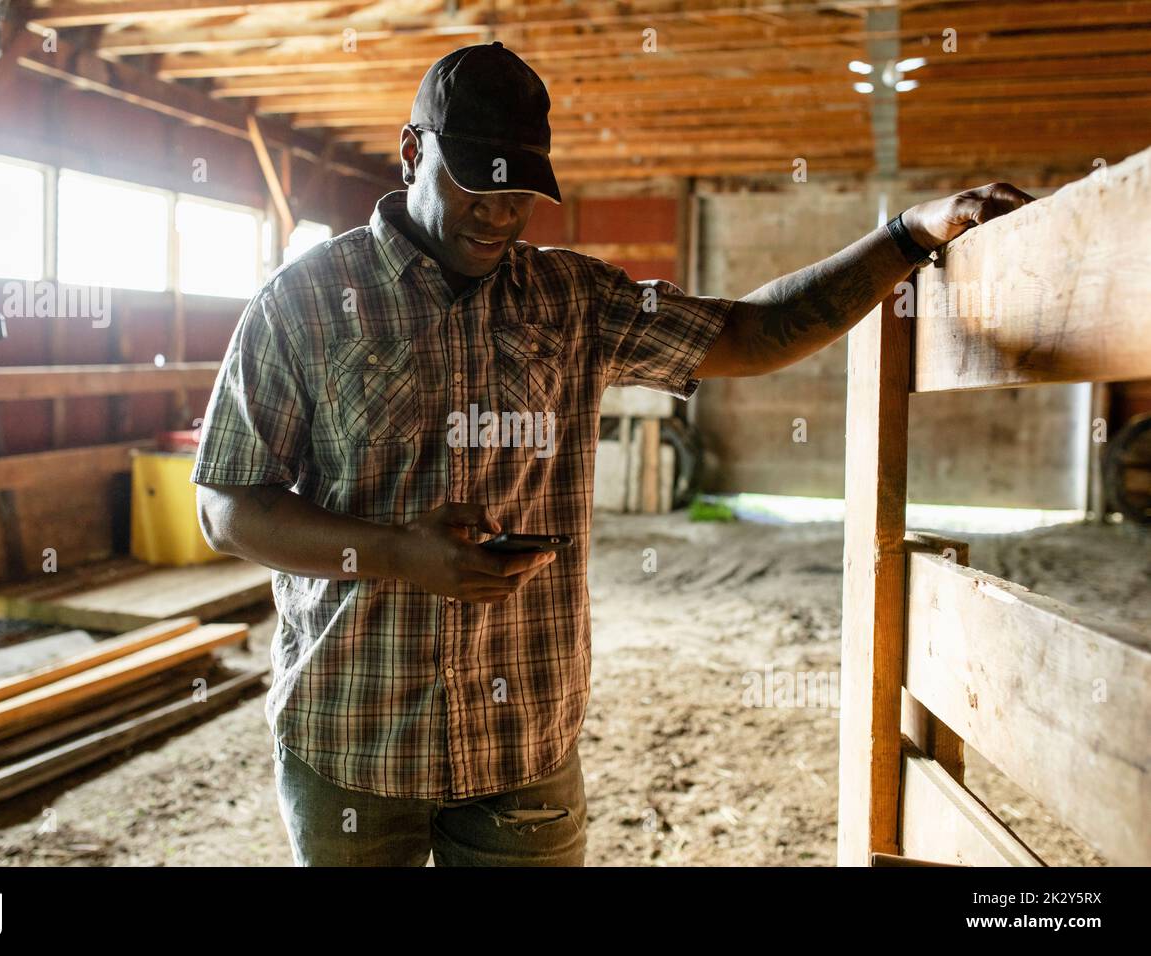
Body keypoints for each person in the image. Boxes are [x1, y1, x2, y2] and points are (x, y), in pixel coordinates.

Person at [193, 41, 1033, 866]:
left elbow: (754, 329)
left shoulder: (571, 301)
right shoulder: (301, 306)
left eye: (520, 191)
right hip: (352, 741)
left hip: (522, 744)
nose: (498, 212)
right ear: (412, 151)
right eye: (473, 183)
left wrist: (908, 235)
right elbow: (226, 506)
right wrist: (396, 555)